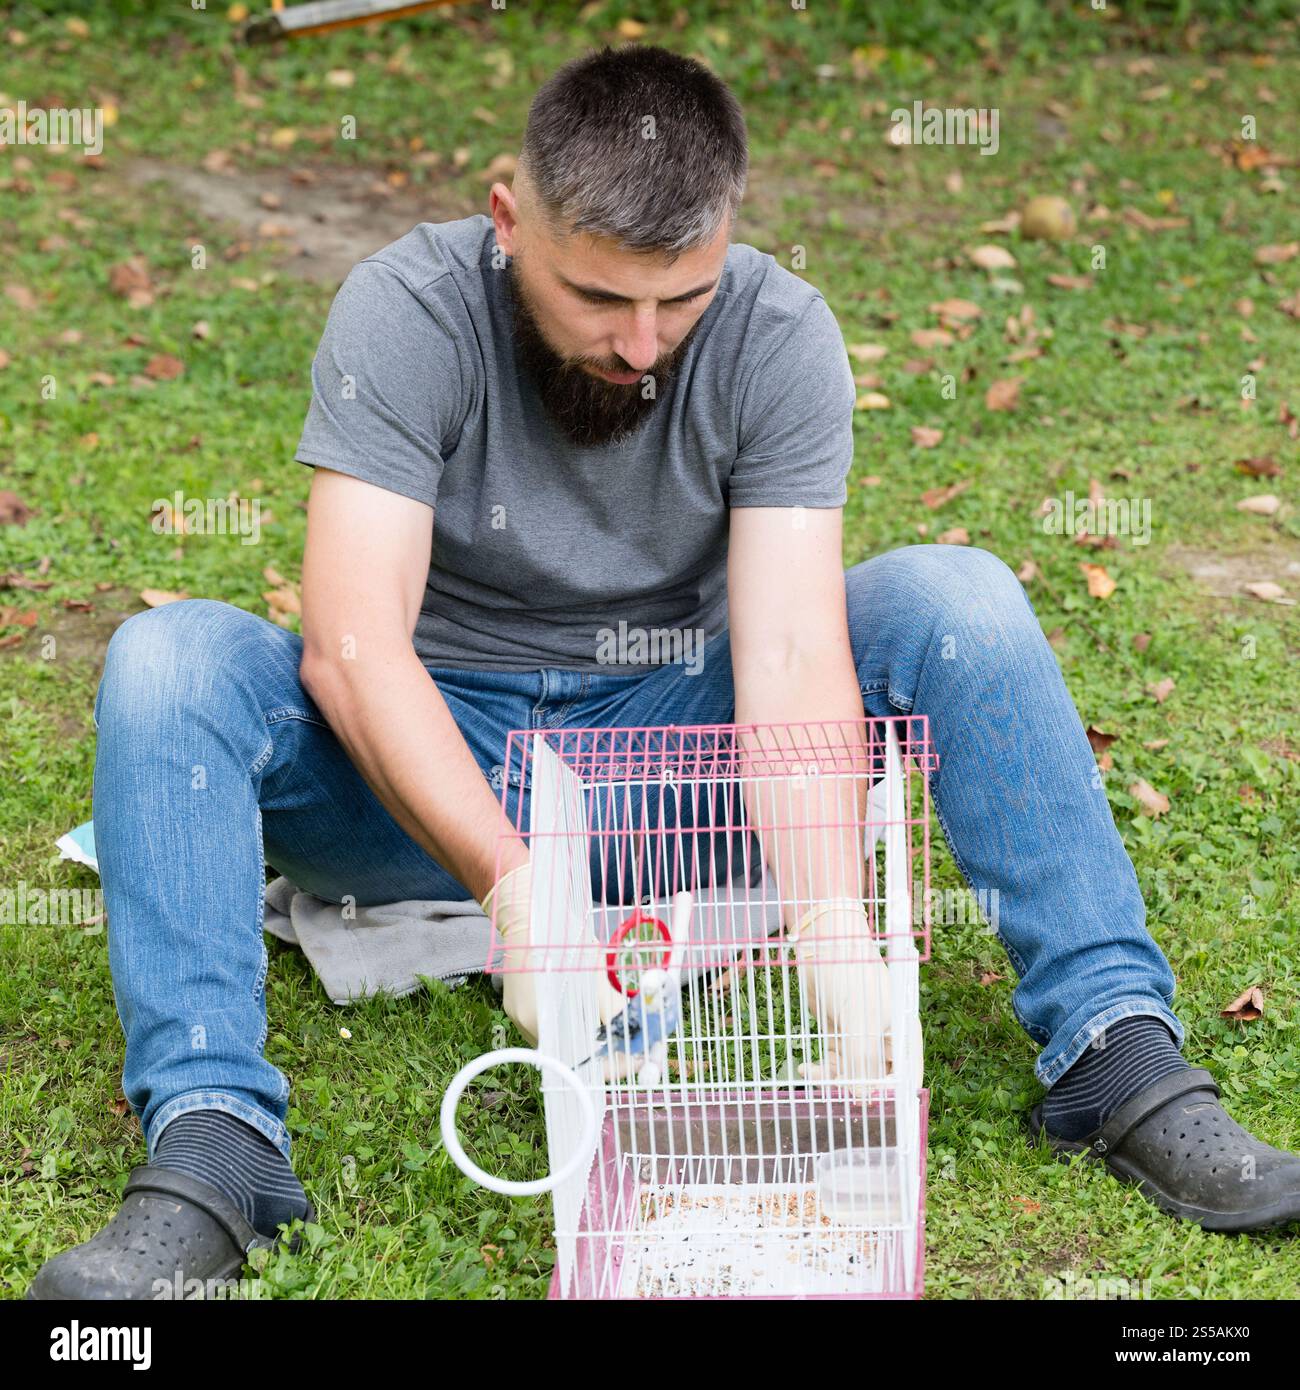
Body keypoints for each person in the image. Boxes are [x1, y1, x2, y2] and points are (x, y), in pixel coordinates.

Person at [28, 43, 1300, 1301]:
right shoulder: (406, 307)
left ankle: (1117, 1058)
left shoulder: (778, 333)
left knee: (952, 598)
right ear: (506, 216)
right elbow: (354, 648)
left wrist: (824, 928)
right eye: (597, 298)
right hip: (414, 784)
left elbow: (794, 650)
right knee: (169, 656)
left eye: (678, 301)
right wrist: (515, 890)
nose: (643, 346)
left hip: (674, 772)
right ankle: (214, 1143)